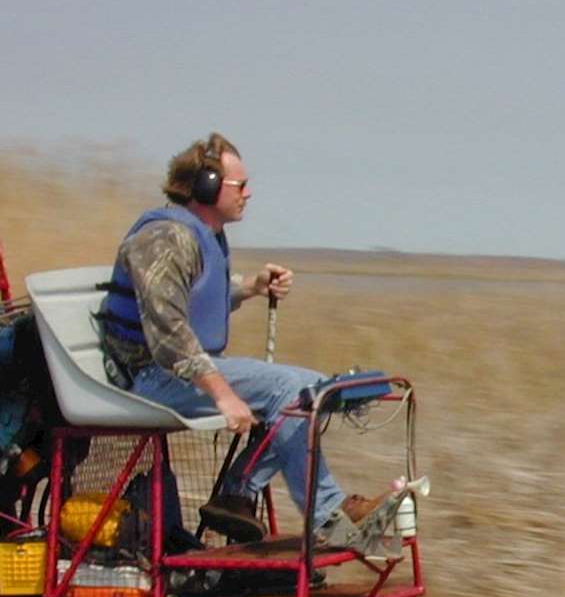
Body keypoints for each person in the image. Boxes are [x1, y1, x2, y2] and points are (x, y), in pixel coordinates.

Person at [98, 133, 383, 549]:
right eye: (240, 185)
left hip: (175, 372)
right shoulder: (165, 237)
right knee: (294, 390)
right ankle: (326, 516)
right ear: (207, 186)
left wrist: (250, 287)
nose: (249, 194)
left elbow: (198, 296)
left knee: (315, 389)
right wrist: (223, 395)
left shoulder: (205, 235)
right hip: (148, 377)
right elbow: (168, 333)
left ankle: (238, 492)